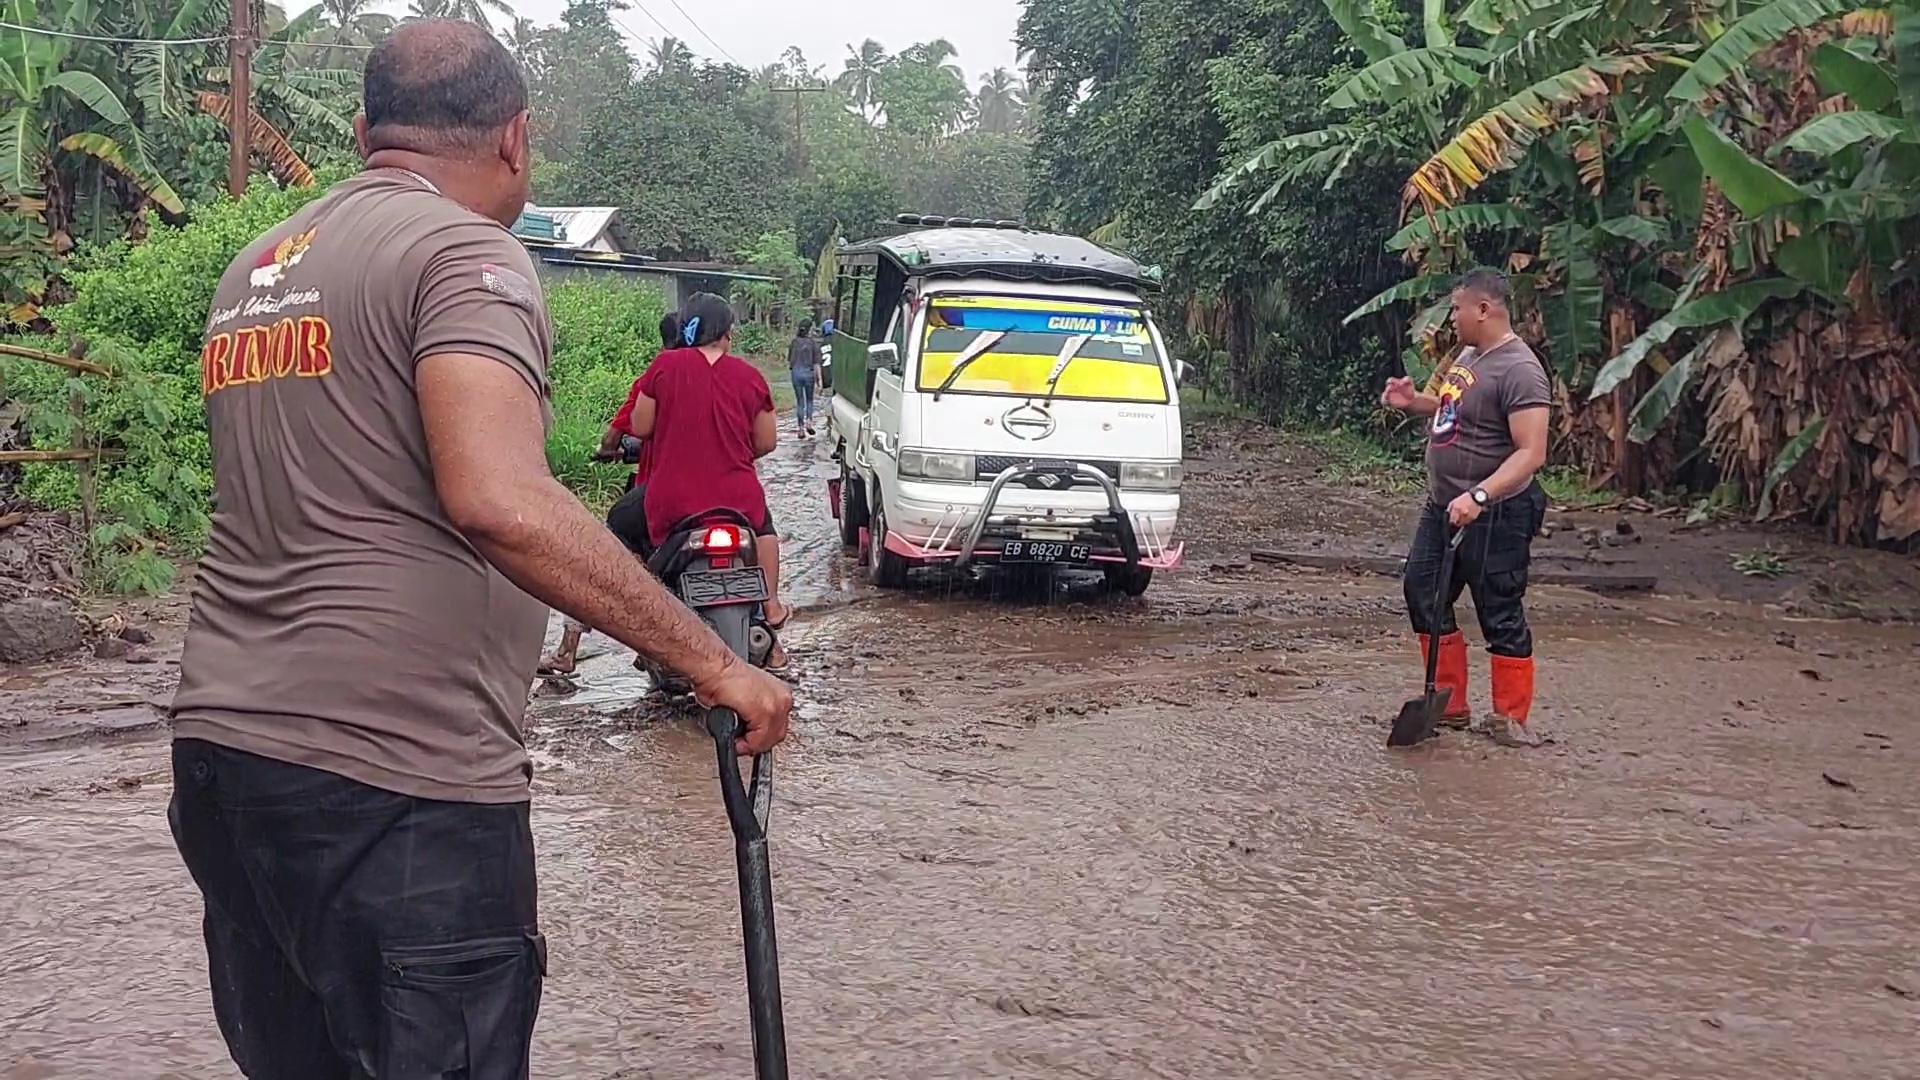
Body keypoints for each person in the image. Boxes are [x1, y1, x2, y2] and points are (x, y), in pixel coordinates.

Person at [166, 22, 791, 1080]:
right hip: (397, 784)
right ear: (516, 138)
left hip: (228, 766)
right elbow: (499, 500)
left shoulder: (258, 266)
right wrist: (718, 664)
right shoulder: (464, 252)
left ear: (363, 132)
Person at [1380, 267, 1550, 747]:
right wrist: (1416, 402)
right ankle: (1450, 705)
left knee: (1499, 610)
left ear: (1484, 309)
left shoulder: (1520, 369)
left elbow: (1531, 452)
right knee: (1422, 591)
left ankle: (1509, 717)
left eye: (1456, 308)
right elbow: (1457, 408)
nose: (1451, 317)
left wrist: (1479, 495)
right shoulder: (1472, 354)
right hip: (1444, 506)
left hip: (1496, 512)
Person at [626, 292, 790, 634]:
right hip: (738, 499)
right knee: (765, 531)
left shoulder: (663, 367)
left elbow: (640, 428)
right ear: (726, 333)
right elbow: (767, 442)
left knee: (619, 523)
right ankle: (771, 606)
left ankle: (648, 612)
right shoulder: (750, 377)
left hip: (673, 500)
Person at [787, 318, 823, 437]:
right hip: (809, 373)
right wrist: (819, 381)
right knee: (809, 400)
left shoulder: (794, 342)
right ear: (809, 329)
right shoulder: (813, 343)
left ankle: (801, 429)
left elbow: (790, 360)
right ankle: (809, 422)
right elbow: (817, 364)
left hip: (796, 373)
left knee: (800, 402)